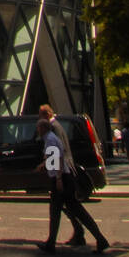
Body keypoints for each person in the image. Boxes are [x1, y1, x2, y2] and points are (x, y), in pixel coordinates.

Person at [36, 117, 108, 254]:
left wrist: (58, 179)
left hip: (61, 178)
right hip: (63, 177)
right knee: (63, 211)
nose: (37, 130)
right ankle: (51, 243)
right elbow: (57, 157)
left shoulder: (50, 139)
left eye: (38, 128)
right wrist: (43, 165)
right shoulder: (51, 138)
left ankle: (100, 239)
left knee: (67, 211)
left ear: (43, 128)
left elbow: (58, 159)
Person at [39, 104, 85, 246]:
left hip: (62, 172)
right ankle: (78, 233)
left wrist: (56, 175)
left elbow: (58, 152)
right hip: (63, 170)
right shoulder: (58, 125)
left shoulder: (53, 128)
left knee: (68, 206)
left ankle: (80, 232)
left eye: (40, 115)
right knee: (67, 206)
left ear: (46, 115)